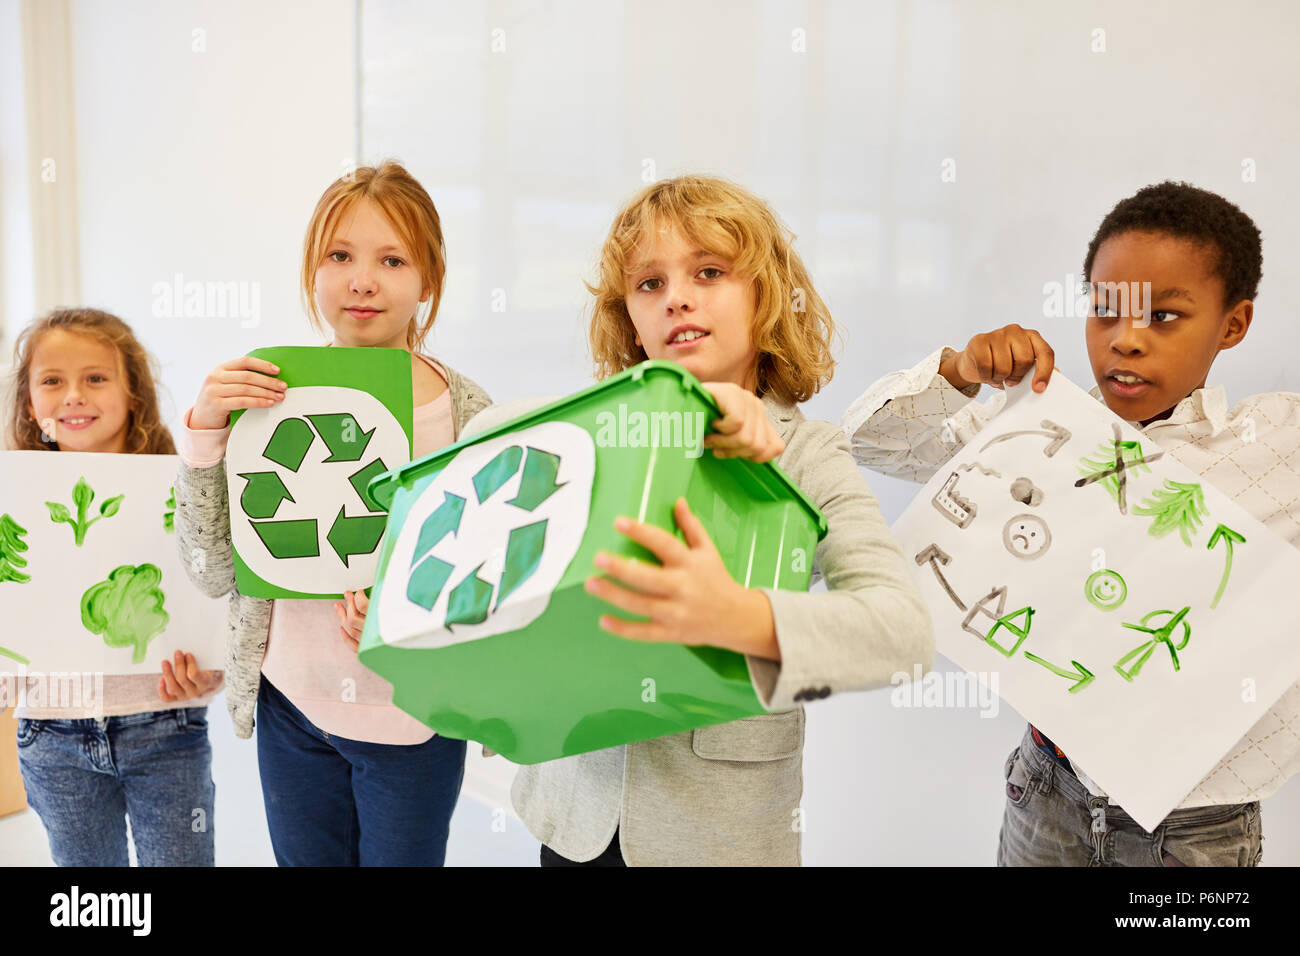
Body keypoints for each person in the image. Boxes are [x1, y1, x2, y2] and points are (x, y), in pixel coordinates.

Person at [466, 175, 935, 865]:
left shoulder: (808, 453)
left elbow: (903, 635)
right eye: (648, 284)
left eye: (708, 272)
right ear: (629, 317)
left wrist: (737, 617)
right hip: (574, 819)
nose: (677, 296)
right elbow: (486, 434)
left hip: (718, 840)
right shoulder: (604, 426)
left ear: (765, 295)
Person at [841, 181, 1298, 866]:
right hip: (1047, 786)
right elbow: (869, 441)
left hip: (1199, 820)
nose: (1127, 342)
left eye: (1165, 317)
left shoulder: (1275, 444)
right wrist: (962, 371)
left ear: (1233, 324)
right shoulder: (1036, 426)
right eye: (1105, 312)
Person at [173, 162, 490, 865]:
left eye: (392, 259)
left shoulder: (471, 415)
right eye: (339, 255)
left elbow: (488, 586)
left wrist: (408, 609)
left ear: (429, 280)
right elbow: (211, 568)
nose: (362, 280)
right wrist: (204, 431)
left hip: (416, 718)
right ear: (312, 271)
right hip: (294, 708)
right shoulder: (264, 394)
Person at [8, 307, 220, 866]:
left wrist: (207, 674)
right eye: (52, 381)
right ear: (31, 402)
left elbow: (212, 595)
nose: (74, 395)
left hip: (165, 728)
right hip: (51, 737)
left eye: (96, 378)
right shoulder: (14, 499)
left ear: (133, 395)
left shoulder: (182, 485)